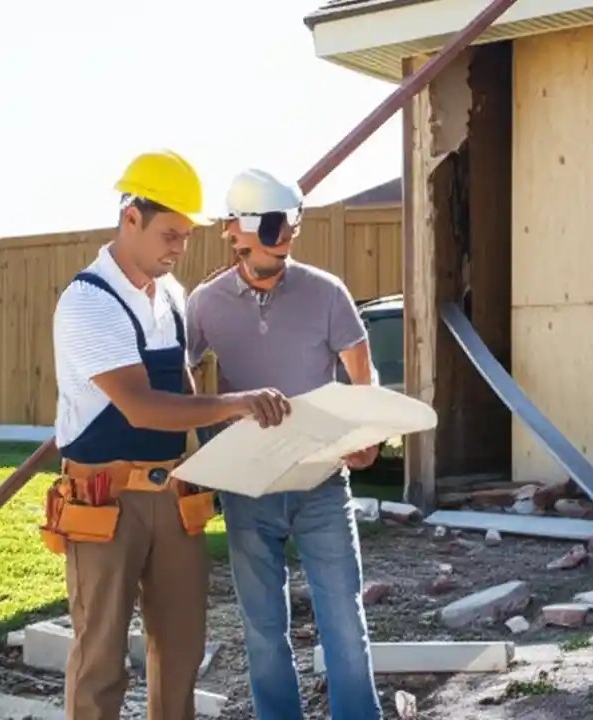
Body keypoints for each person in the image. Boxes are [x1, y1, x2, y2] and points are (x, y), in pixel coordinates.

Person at [45, 149, 291, 720]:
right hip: (106, 502)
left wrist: (233, 457)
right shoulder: (89, 301)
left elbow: (183, 394)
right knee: (101, 654)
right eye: (169, 234)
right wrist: (237, 405)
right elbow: (141, 407)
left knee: (181, 649)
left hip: (174, 495)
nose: (179, 247)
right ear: (130, 216)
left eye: (185, 235)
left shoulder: (173, 297)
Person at [186, 167, 382, 720]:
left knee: (344, 621)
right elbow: (178, 369)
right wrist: (209, 443)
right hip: (250, 488)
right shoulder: (205, 304)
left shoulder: (327, 293)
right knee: (263, 630)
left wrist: (366, 438)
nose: (286, 237)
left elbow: (364, 382)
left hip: (321, 485)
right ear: (235, 231)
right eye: (274, 227)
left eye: (291, 226)